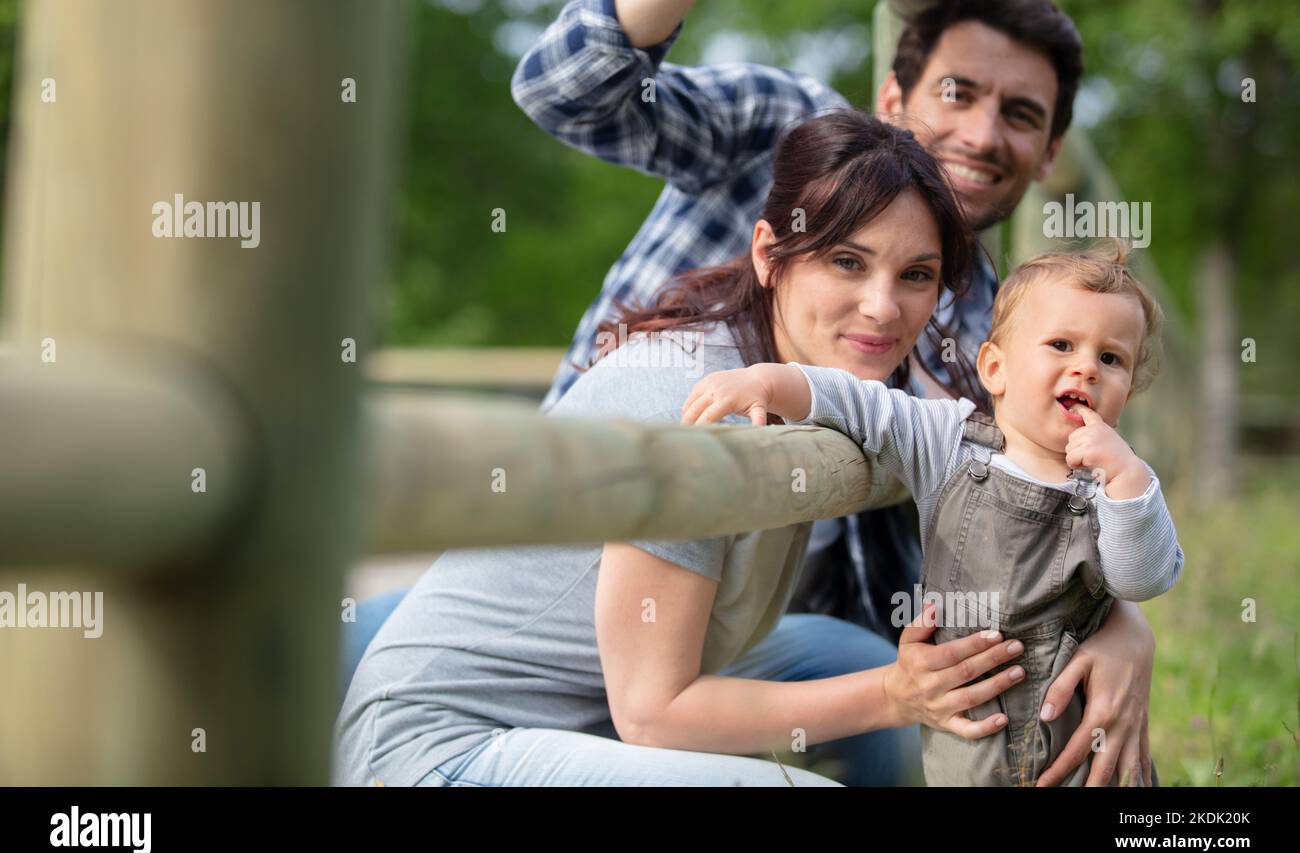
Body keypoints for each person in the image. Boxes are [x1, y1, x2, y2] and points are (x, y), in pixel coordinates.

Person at [502, 0, 1158, 786]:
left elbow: (1030, 486)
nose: (981, 132)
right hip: (562, 563)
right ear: (892, 100)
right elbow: (563, 88)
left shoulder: (981, 324)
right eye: (957, 92)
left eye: (1021, 114)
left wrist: (1119, 622)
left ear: (1048, 156)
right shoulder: (791, 134)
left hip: (747, 616)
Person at [333, 109, 1006, 786]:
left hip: (599, 705)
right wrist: (894, 694)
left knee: (841, 652)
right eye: (846, 262)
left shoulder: (812, 382)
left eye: (916, 275)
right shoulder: (692, 404)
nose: (883, 308)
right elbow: (652, 715)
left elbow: (1003, 449)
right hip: (442, 745)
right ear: (769, 254)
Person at [683, 240, 1183, 785]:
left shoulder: (1118, 485)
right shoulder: (947, 441)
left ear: (1126, 391)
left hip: (1078, 736)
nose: (1086, 368)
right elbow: (858, 402)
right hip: (972, 728)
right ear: (995, 367)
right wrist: (768, 382)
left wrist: (1130, 480)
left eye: (1111, 359)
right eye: (1062, 345)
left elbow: (1142, 578)